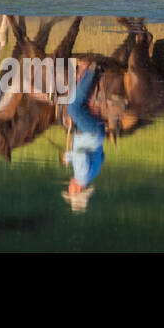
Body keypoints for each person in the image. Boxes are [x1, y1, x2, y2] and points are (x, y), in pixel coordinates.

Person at [62, 58, 105, 212]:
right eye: (71, 191)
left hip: (97, 135)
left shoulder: (91, 175)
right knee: (72, 108)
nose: (69, 187)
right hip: (90, 132)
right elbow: (81, 156)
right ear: (79, 190)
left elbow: (102, 157)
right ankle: (92, 70)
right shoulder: (81, 175)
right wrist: (68, 157)